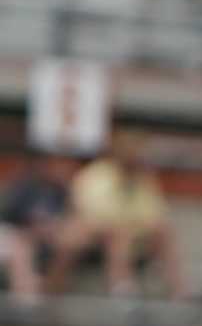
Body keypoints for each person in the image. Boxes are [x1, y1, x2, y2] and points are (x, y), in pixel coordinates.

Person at [54, 130, 188, 299]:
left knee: (163, 230)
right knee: (116, 232)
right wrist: (126, 223)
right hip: (95, 238)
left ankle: (180, 292)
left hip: (134, 236)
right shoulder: (96, 175)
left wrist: (134, 225)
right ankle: (121, 289)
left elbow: (154, 214)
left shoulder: (143, 180)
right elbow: (91, 213)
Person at [0, 151, 74, 307]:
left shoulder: (60, 191)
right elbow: (9, 215)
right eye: (58, 166)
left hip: (43, 239)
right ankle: (27, 305)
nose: (62, 171)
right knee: (21, 250)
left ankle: (47, 295)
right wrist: (32, 229)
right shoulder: (25, 185)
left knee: (66, 245)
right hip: (10, 233)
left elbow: (64, 220)